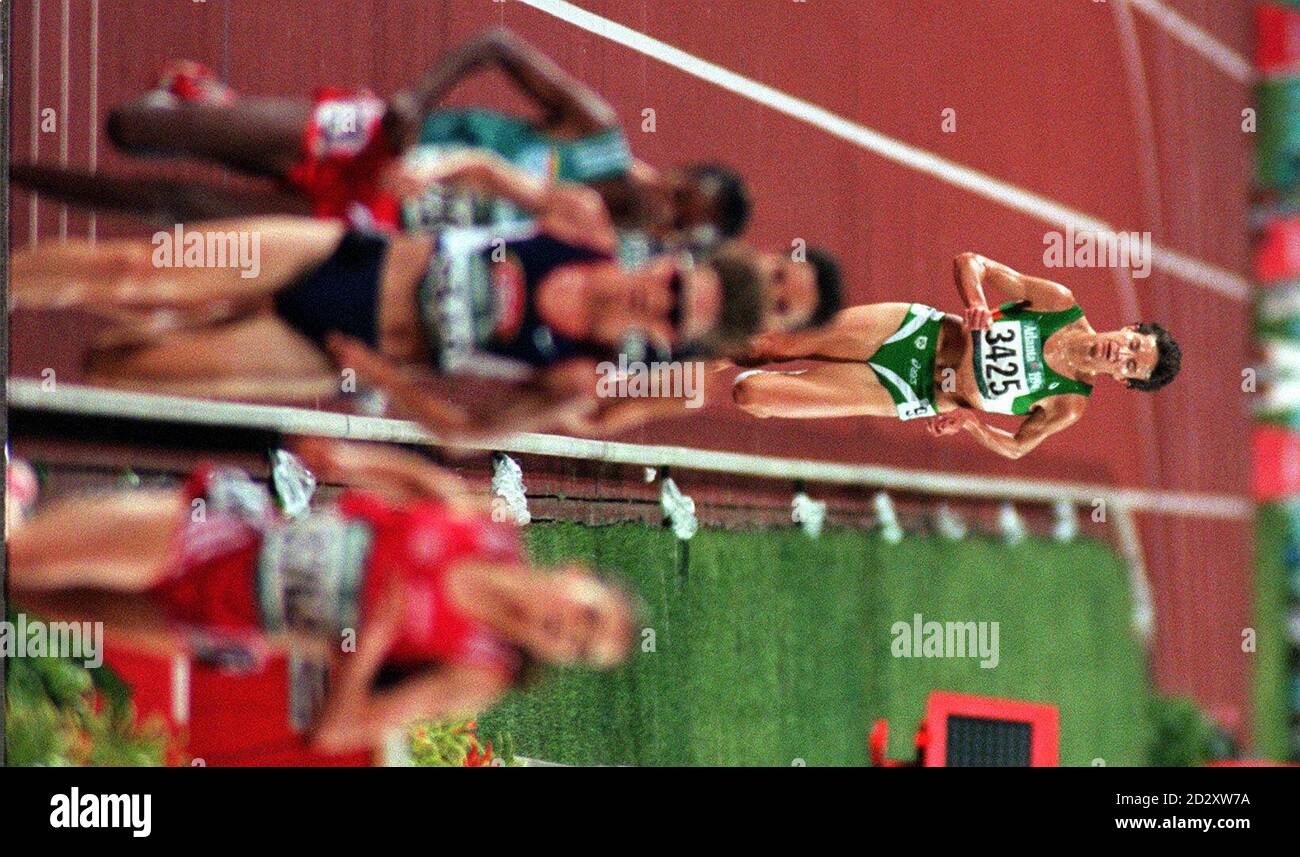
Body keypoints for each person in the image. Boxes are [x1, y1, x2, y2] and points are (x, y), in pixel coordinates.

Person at [11, 153, 765, 443]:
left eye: (670, 316)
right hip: (344, 255)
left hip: (334, 352)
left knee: (123, 366)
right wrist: (436, 174)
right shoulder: (582, 222)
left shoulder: (576, 373)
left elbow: (467, 434)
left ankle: (155, 315)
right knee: (136, 270)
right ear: (667, 259)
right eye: (672, 282)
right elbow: (493, 172)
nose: (654, 298)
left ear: (662, 344)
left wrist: (385, 382)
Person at [6, 440, 638, 752]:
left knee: (24, 594)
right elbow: (424, 483)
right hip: (231, 537)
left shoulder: (482, 672)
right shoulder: (491, 533)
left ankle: (17, 495)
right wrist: (346, 458)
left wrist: (370, 649)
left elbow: (336, 733)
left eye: (579, 648)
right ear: (575, 572)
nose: (567, 631)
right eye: (587, 614)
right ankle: (15, 498)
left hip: (230, 623)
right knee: (22, 554)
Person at [15, 29, 750, 242]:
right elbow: (497, 44)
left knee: (177, 206)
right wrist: (414, 99)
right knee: (134, 128)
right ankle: (206, 104)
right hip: (378, 143)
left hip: (379, 228)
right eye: (682, 198)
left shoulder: (611, 259)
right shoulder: (596, 135)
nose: (668, 215)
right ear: (679, 175)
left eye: (683, 224)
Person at [729, 253, 1182, 459]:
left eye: (1130, 364)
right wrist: (977, 300)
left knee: (753, 395)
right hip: (911, 332)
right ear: (1132, 328)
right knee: (768, 345)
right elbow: (971, 262)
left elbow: (1019, 447)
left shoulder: (1069, 402)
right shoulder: (1058, 303)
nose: (1121, 352)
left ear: (1124, 382)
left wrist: (973, 424)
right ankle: (683, 350)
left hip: (908, 392)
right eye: (1134, 344)